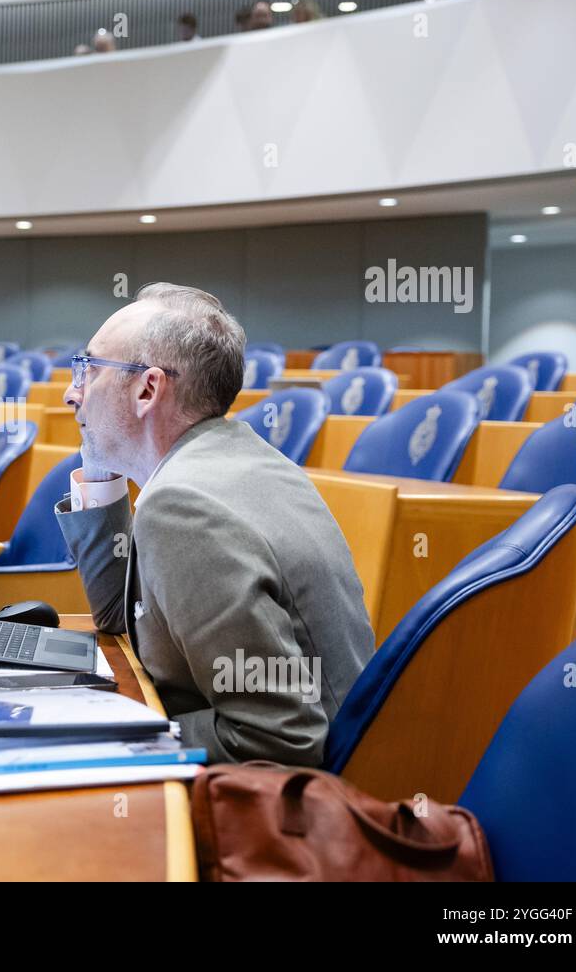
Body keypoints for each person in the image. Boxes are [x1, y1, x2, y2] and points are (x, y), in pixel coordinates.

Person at [54, 284, 374, 765]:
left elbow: (276, 739)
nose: (70, 393)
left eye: (89, 370)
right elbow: (125, 621)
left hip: (295, 805)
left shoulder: (183, 506)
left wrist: (110, 734)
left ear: (148, 389)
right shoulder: (234, 458)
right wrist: (99, 465)